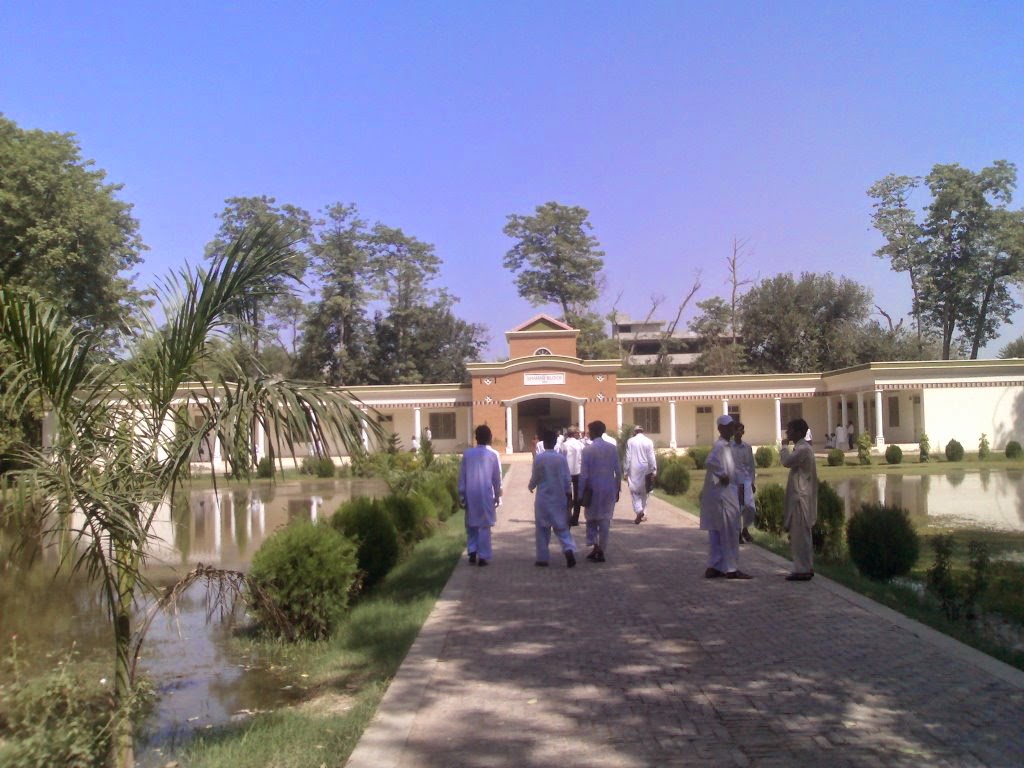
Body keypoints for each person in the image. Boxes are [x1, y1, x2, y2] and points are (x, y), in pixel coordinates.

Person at [699, 415, 751, 579]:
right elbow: (710, 461)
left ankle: (715, 565)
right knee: (730, 530)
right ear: (720, 429)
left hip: (723, 493)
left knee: (717, 531)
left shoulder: (726, 446)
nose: (731, 429)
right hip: (725, 495)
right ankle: (731, 568)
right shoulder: (721, 446)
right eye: (728, 427)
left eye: (732, 426)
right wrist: (722, 475)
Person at [528, 431, 577, 568]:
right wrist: (568, 493)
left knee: (542, 529)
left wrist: (531, 486)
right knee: (561, 527)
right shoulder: (561, 459)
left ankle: (542, 558)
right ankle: (568, 549)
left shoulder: (539, 458)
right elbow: (567, 479)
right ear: (556, 442)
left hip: (543, 498)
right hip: (558, 497)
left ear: (543, 442)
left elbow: (535, 477)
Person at [458, 425, 503, 567]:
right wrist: (497, 495)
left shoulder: (467, 454)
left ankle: (472, 550)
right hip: (485, 493)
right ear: (490, 438)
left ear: (476, 438)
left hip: (471, 492)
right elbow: (496, 478)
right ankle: (483, 556)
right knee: (484, 526)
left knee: (471, 523)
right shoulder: (493, 455)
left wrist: (461, 494)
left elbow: (463, 476)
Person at [780, 418, 819, 581]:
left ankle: (802, 569)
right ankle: (806, 566)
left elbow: (786, 462)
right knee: (802, 535)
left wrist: (783, 447)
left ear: (799, 432)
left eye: (790, 430)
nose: (787, 433)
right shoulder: (803, 448)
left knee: (799, 536)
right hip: (800, 496)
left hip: (800, 498)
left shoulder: (803, 449)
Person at [579, 420, 621, 563]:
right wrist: (618, 488)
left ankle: (596, 546)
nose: (588, 433)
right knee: (605, 519)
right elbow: (618, 470)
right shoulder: (612, 448)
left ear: (594, 432)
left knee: (591, 519)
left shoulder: (587, 450)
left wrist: (579, 493)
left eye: (589, 431)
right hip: (609, 488)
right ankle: (600, 549)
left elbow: (583, 474)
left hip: (592, 489)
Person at [624, 425, 657, 524]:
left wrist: (625, 471)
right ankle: (644, 513)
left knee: (634, 492)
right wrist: (654, 469)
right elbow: (651, 456)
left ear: (635, 432)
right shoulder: (649, 441)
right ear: (643, 431)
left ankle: (639, 511)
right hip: (646, 470)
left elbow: (627, 457)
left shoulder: (630, 441)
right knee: (645, 492)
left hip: (634, 470)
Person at [732, 421, 756, 544]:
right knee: (738, 508)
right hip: (734, 482)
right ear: (733, 432)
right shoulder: (729, 447)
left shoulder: (747, 447)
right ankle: (738, 534)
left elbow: (751, 466)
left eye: (741, 430)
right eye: (736, 430)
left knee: (749, 507)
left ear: (743, 432)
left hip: (745, 481)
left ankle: (745, 529)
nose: (739, 432)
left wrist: (752, 482)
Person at [562, 427, 585, 526]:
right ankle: (575, 519)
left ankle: (568, 516)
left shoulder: (564, 445)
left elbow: (561, 459)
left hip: (566, 472)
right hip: (578, 472)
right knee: (577, 496)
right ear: (575, 434)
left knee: (567, 496)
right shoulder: (580, 444)